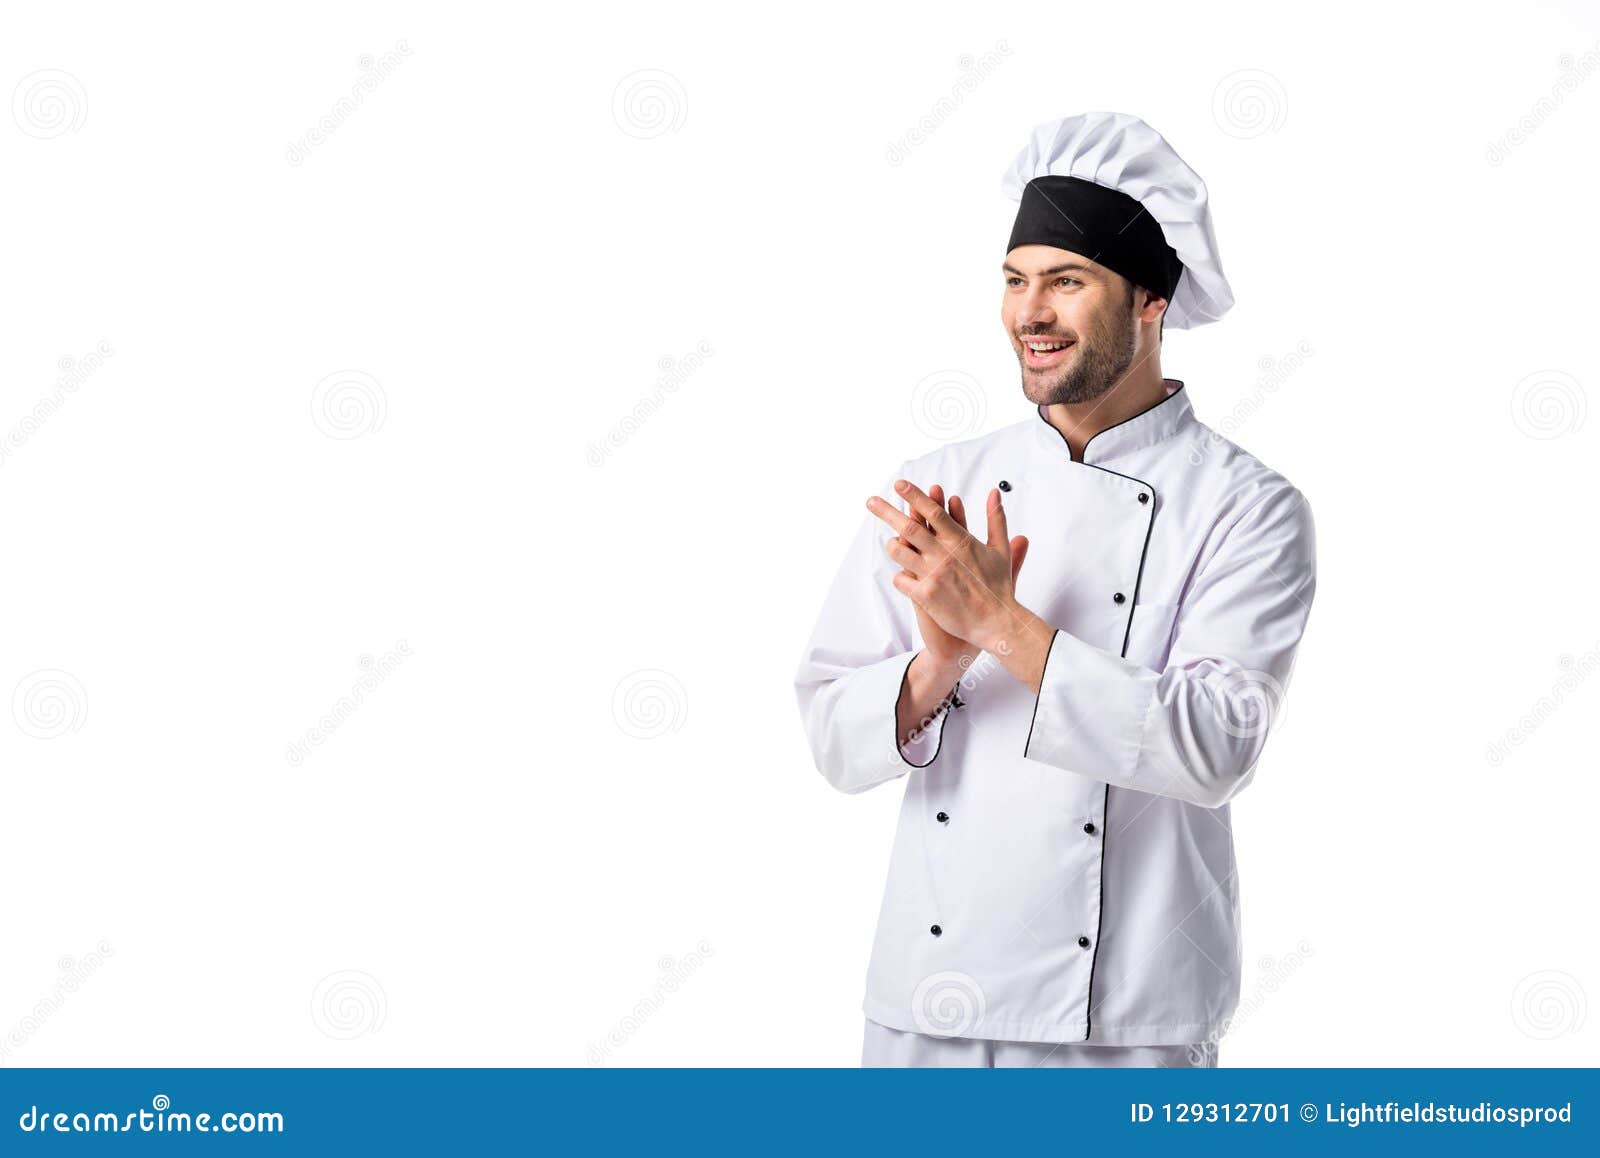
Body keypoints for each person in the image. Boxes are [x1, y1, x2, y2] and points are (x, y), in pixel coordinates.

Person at [793, 111, 1317, 1068]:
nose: (1028, 312)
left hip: (1123, 1024)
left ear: (1151, 300)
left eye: (1066, 282)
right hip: (924, 1013)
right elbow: (832, 737)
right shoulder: (937, 483)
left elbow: (1215, 748)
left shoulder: (1247, 506)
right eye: (1014, 280)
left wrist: (999, 624)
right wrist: (937, 664)